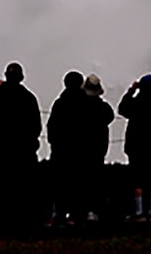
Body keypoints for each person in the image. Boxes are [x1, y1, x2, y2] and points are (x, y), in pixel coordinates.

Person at [0, 62, 42, 226]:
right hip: (23, 149)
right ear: (21, 78)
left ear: (6, 75)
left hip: (1, 146)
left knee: (1, 184)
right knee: (21, 186)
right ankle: (23, 218)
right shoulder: (28, 97)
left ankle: (0, 218)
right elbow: (36, 126)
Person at [46, 71, 112, 224]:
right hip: (84, 151)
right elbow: (106, 116)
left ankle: (60, 213)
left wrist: (55, 144)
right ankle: (80, 213)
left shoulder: (60, 103)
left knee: (62, 184)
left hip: (62, 151)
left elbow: (52, 127)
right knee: (83, 183)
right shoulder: (91, 104)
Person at [117, 73, 151, 221]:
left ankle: (139, 212)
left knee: (137, 178)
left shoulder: (135, 104)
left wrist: (131, 91)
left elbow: (122, 109)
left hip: (136, 145)